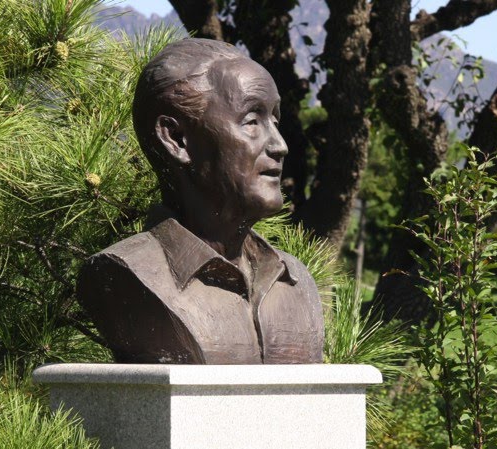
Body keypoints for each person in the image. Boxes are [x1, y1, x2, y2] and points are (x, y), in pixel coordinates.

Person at [77, 38, 324, 364]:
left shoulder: (295, 281)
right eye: (252, 121)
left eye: (274, 121)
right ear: (177, 139)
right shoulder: (124, 275)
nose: (279, 145)